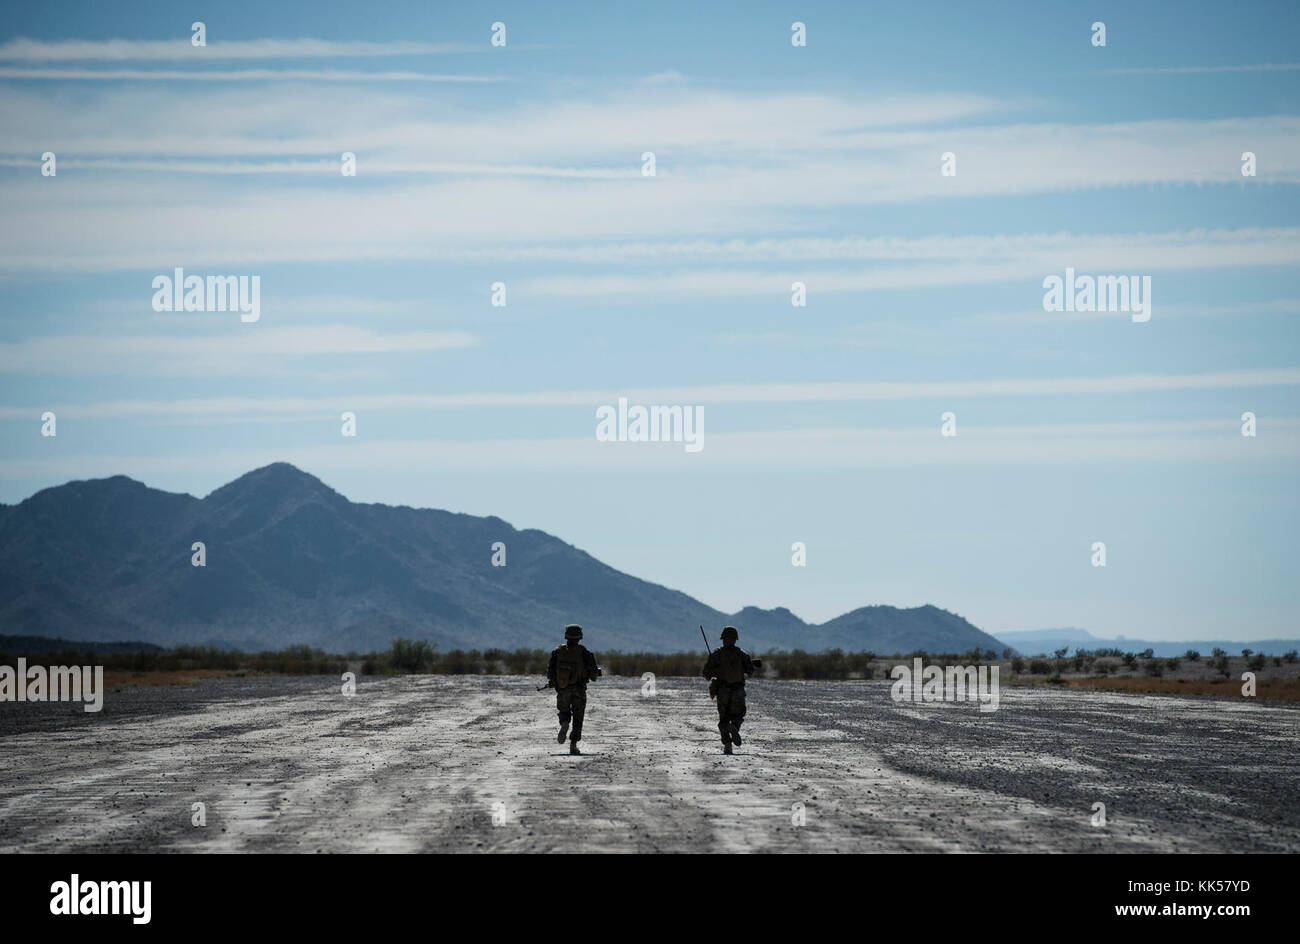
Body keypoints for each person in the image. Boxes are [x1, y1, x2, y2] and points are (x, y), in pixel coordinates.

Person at [547, 623, 600, 755]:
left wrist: (554, 683)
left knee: (564, 711)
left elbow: (550, 672)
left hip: (563, 689)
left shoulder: (557, 652)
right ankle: (573, 744)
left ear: (566, 636)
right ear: (580, 637)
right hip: (579, 690)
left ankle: (564, 723)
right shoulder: (584, 652)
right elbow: (593, 674)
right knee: (578, 717)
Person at [702, 625, 755, 754]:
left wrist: (714, 670)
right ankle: (735, 727)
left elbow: (706, 673)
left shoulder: (716, 654)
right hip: (738, 690)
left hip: (722, 691)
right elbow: (750, 671)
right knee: (739, 714)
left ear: (723, 639)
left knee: (723, 719)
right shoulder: (742, 654)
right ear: (736, 639)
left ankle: (727, 745)